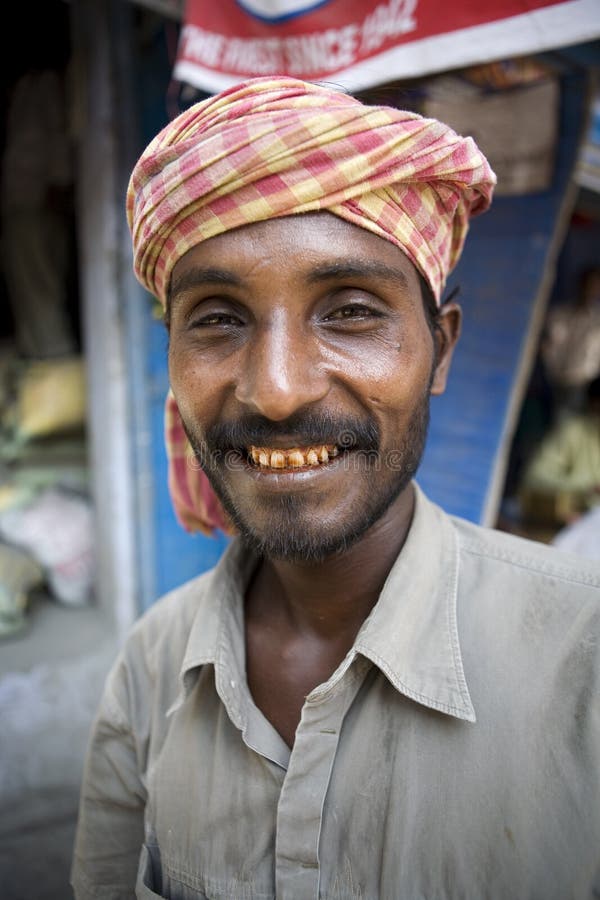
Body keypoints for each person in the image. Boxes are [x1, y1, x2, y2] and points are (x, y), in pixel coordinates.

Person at [71, 77, 600, 900]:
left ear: (441, 349)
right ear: (170, 364)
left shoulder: (584, 665)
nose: (277, 390)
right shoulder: (150, 667)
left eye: (350, 311)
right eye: (217, 318)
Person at [519, 374, 600, 528]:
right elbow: (535, 477)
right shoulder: (573, 432)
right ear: (595, 405)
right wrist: (588, 487)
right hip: (568, 527)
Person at [540, 265, 600, 418]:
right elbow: (548, 346)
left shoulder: (597, 322)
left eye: (595, 286)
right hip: (555, 381)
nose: (591, 290)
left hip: (584, 384)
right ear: (580, 285)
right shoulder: (560, 315)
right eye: (589, 284)